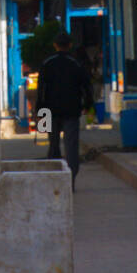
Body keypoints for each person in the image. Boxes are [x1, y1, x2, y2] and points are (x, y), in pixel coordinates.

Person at [38, 31, 93, 191]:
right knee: (71, 147)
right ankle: (70, 181)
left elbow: (41, 90)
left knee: (53, 145)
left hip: (49, 112)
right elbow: (86, 87)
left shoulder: (47, 63)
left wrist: (40, 113)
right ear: (69, 45)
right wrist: (88, 105)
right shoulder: (76, 63)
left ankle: (55, 181)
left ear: (55, 45)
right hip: (72, 110)